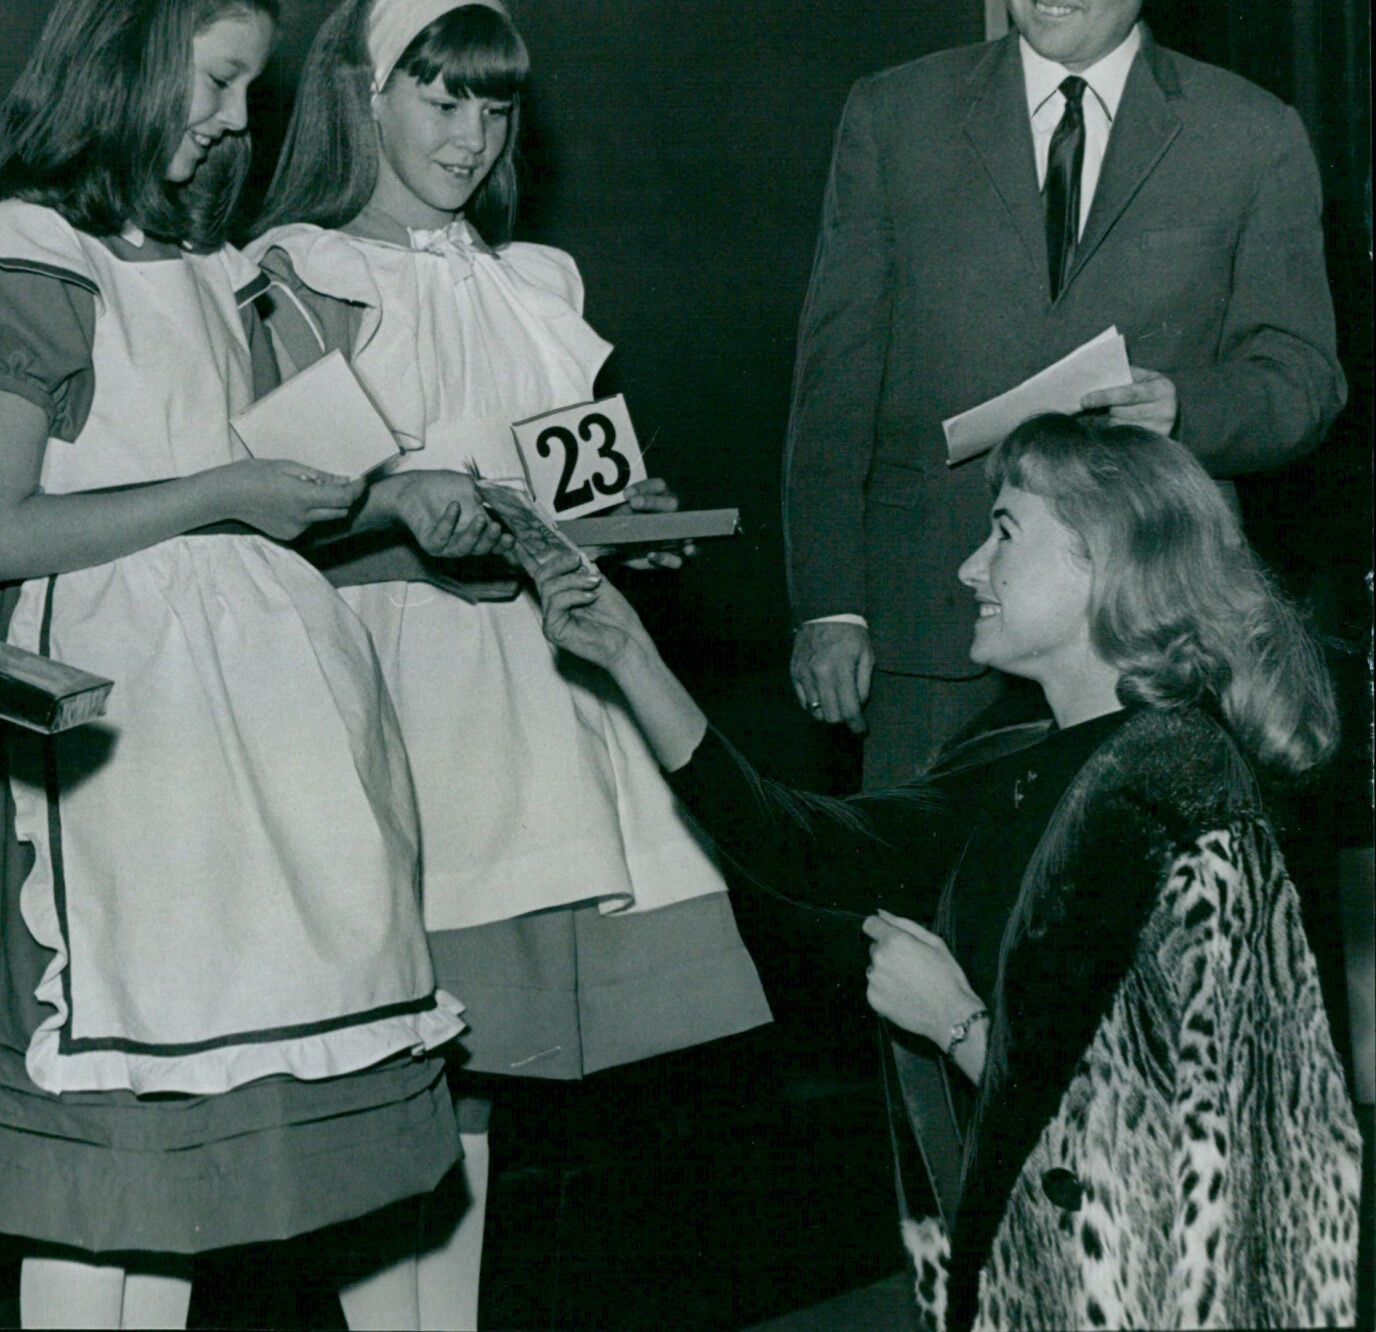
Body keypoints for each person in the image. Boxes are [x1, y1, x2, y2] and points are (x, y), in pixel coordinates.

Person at [0, 0, 464, 1332]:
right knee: (104, 1180)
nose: (228, 124)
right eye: (209, 85)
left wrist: (394, 498)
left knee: (194, 1187)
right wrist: (222, 491)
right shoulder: (26, 260)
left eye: (247, 96)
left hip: (255, 745)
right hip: (106, 738)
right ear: (121, 64)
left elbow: (284, 495)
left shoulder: (223, 274)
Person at [537, 412, 1362, 1331]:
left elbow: (1182, 1130)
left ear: (1105, 558)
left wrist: (956, 1022)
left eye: (1004, 532)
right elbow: (799, 845)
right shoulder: (1031, 756)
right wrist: (628, 656)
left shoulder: (1182, 778)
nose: (971, 567)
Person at [250, 0, 771, 1328]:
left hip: (529, 697)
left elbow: (580, 491)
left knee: (484, 1064)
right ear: (363, 96)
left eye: (493, 109)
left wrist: (631, 521)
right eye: (439, 99)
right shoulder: (293, 273)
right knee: (402, 1064)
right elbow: (291, 524)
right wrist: (414, 528)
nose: (469, 139)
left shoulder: (536, 277)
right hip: (390, 693)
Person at [784, 0, 1346, 787]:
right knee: (924, 923)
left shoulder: (1252, 137)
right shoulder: (891, 117)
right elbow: (830, 389)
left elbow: (1302, 379)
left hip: (1152, 625)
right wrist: (830, 604)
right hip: (932, 632)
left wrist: (1188, 407)